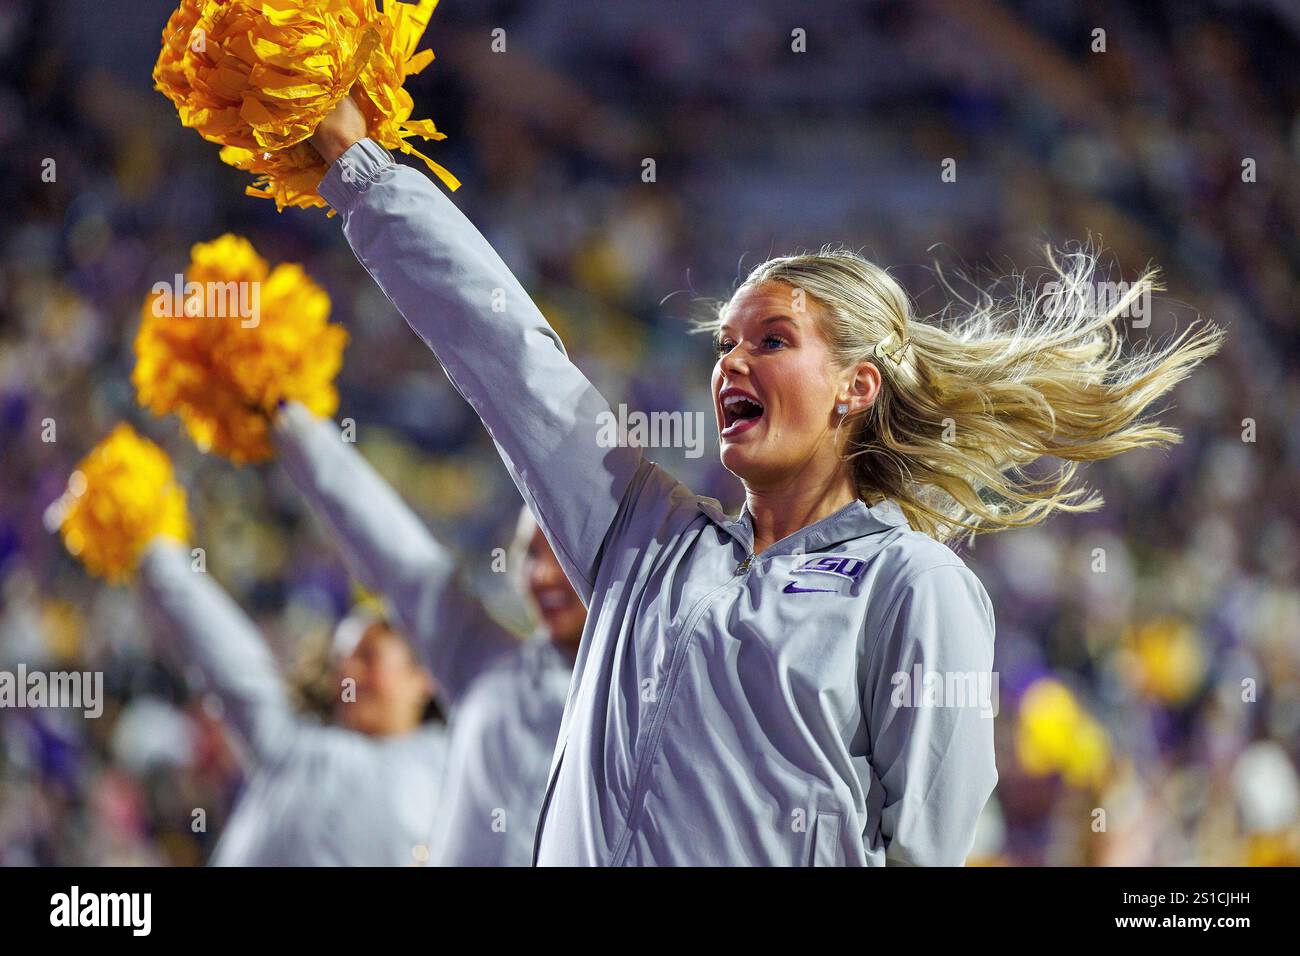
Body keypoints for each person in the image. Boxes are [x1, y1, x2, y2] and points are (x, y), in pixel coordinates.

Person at [307, 96, 1222, 865]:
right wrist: (359, 168)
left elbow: (925, 848)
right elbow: (514, 362)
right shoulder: (646, 542)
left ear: (854, 388)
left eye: (772, 341)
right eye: (725, 345)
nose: (730, 364)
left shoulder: (912, 585)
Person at [272, 400, 582, 865]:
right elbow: (392, 551)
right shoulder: (485, 657)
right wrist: (292, 422)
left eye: (559, 550)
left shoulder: (646, 691)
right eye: (528, 554)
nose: (541, 575)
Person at [139, 538, 445, 866]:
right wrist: (151, 543)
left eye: (368, 657)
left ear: (423, 674)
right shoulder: (298, 747)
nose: (349, 675)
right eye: (340, 661)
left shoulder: (454, 770)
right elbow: (226, 656)